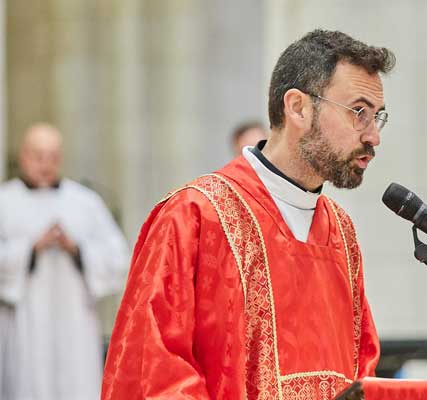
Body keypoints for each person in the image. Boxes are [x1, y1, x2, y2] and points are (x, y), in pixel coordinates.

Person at [101, 30, 395, 399]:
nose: (373, 136)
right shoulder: (195, 216)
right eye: (359, 113)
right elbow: (151, 372)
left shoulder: (341, 230)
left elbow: (361, 366)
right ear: (298, 107)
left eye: (377, 117)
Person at [0, 123, 129, 399]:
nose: (45, 164)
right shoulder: (4, 201)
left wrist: (77, 250)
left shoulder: (85, 201)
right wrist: (30, 249)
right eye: (38, 156)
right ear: (23, 156)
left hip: (75, 319)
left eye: (53, 156)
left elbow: (118, 257)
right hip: (25, 321)